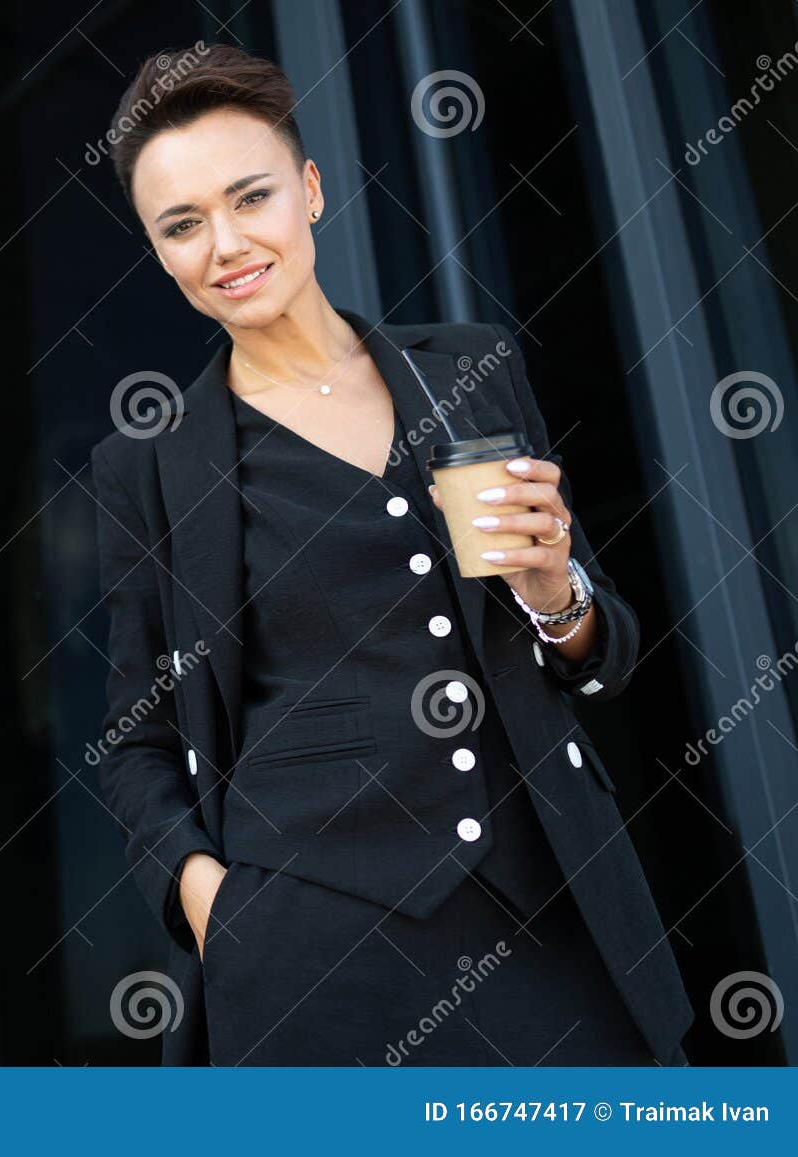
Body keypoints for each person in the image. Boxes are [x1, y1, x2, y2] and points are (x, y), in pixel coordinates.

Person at [90, 44, 693, 1066]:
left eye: (251, 197)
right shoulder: (148, 465)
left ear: (312, 190)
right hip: (308, 957)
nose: (226, 243)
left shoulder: (466, 368)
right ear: (157, 250)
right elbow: (133, 736)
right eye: (182, 225)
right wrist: (208, 898)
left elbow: (602, 652)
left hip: (551, 912)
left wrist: (556, 592)